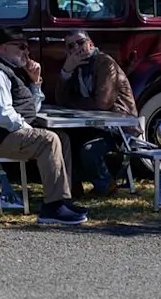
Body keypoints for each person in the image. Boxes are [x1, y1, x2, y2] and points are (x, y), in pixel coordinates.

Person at [0, 26, 87, 225]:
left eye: (27, 47)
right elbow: (2, 114)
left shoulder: (12, 71)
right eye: (21, 46)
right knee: (48, 139)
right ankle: (52, 208)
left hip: (6, 134)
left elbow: (30, 109)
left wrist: (35, 82)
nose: (26, 52)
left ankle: (63, 200)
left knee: (62, 138)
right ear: (3, 48)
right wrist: (29, 130)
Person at [55, 30, 138, 196]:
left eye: (80, 42)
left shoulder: (105, 63)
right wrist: (66, 71)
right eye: (71, 46)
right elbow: (61, 100)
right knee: (64, 139)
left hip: (119, 128)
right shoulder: (75, 66)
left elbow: (103, 103)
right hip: (92, 125)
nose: (77, 48)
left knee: (88, 149)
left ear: (90, 43)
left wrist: (73, 103)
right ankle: (72, 187)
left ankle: (106, 185)